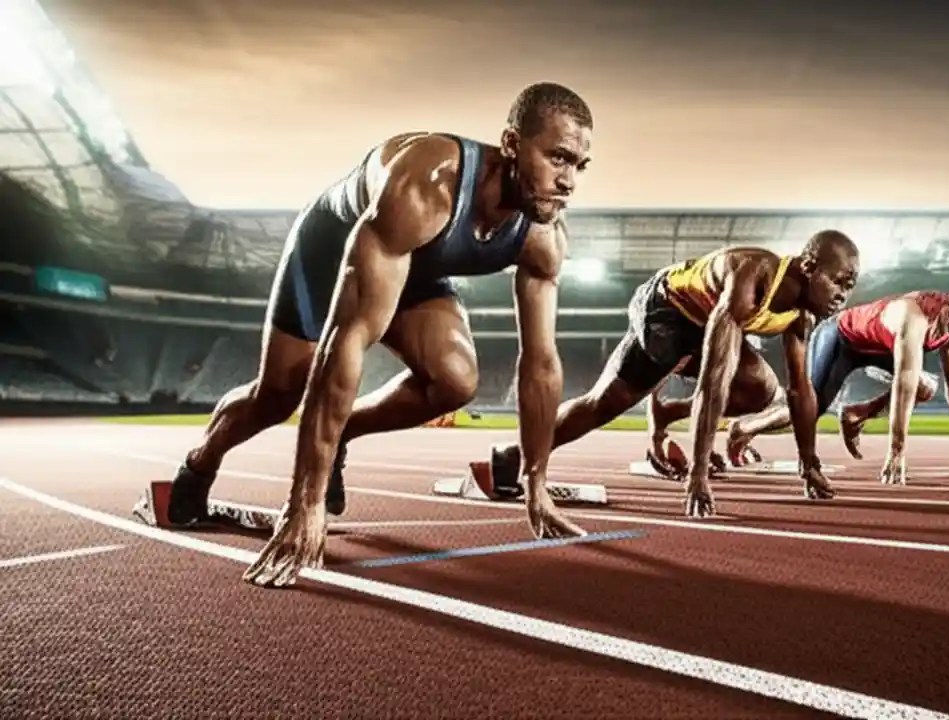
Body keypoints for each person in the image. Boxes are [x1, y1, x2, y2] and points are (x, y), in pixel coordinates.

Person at [162, 82, 596, 588]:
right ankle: (199, 465)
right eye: (558, 158)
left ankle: (343, 433)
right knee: (278, 396)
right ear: (511, 143)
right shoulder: (427, 183)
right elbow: (349, 336)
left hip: (416, 263)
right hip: (331, 251)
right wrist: (305, 502)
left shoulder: (544, 237)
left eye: (579, 166)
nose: (568, 182)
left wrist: (535, 482)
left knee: (456, 381)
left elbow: (541, 362)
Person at [489, 231, 861, 517]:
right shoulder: (751, 278)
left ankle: (666, 409)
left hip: (704, 326)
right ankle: (514, 455)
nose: (843, 295)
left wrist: (808, 464)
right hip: (667, 308)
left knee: (762, 389)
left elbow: (800, 391)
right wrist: (698, 472)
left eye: (849, 287)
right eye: (839, 281)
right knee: (607, 403)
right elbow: (714, 382)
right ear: (809, 266)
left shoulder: (802, 316)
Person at [728, 271, 949, 485]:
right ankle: (744, 428)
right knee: (809, 409)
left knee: (927, 387)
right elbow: (903, 385)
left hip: (880, 348)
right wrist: (896, 453)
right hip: (841, 338)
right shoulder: (916, 316)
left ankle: (855, 414)